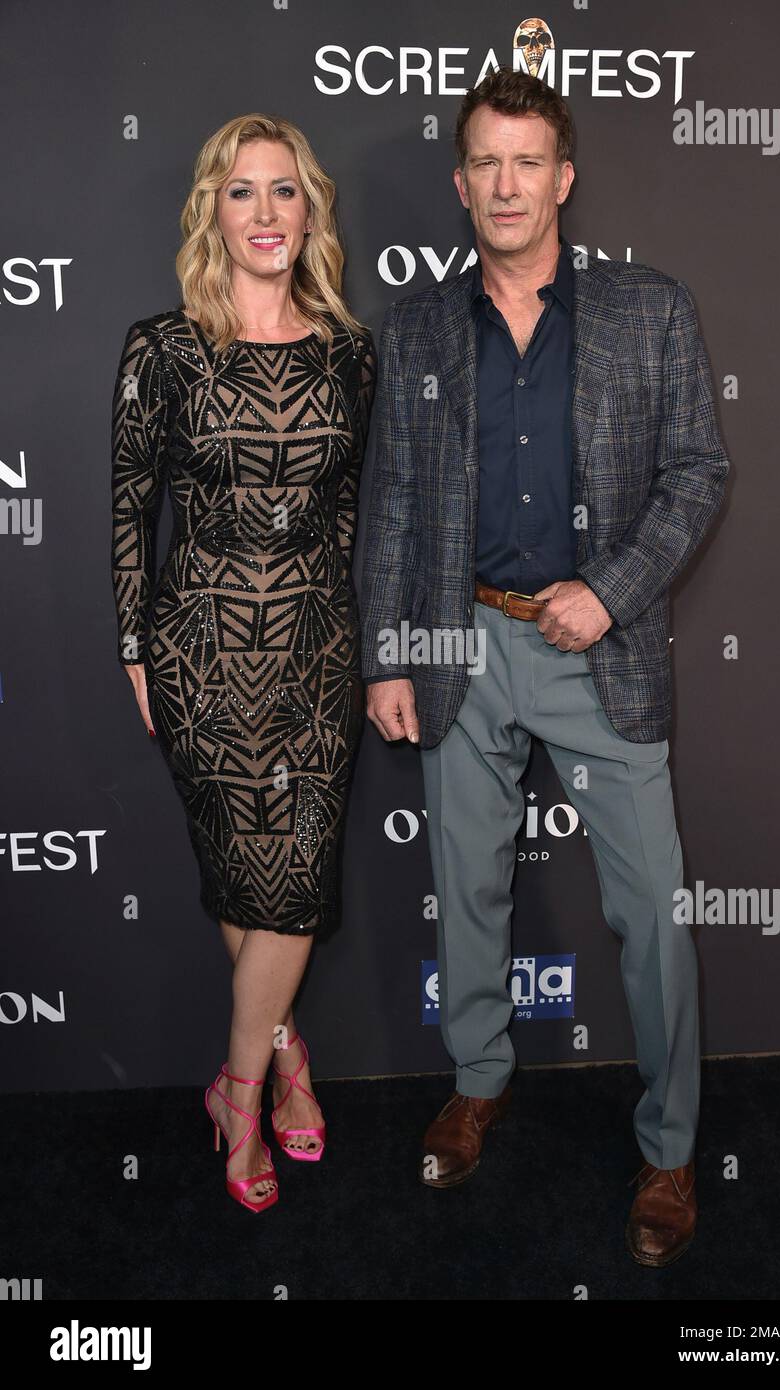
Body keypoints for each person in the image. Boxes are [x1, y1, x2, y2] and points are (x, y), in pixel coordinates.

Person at [360, 67, 728, 1265]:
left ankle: (668, 1152)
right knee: (465, 890)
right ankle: (478, 1082)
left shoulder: (649, 310)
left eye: (529, 161)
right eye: (485, 162)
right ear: (460, 183)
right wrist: (388, 653)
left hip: (597, 653)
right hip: (456, 644)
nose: (506, 184)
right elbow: (390, 511)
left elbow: (696, 473)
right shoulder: (414, 328)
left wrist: (606, 591)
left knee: (652, 918)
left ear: (562, 178)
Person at [110, 113, 376, 1212]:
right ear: (210, 213)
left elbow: (351, 514)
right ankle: (277, 1070)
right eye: (240, 192)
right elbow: (130, 509)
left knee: (293, 884)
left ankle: (242, 1084)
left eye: (283, 191)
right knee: (244, 873)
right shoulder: (162, 347)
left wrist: (352, 640)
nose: (264, 213)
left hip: (316, 649)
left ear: (307, 208)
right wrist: (135, 644)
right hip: (197, 649)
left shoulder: (349, 350)